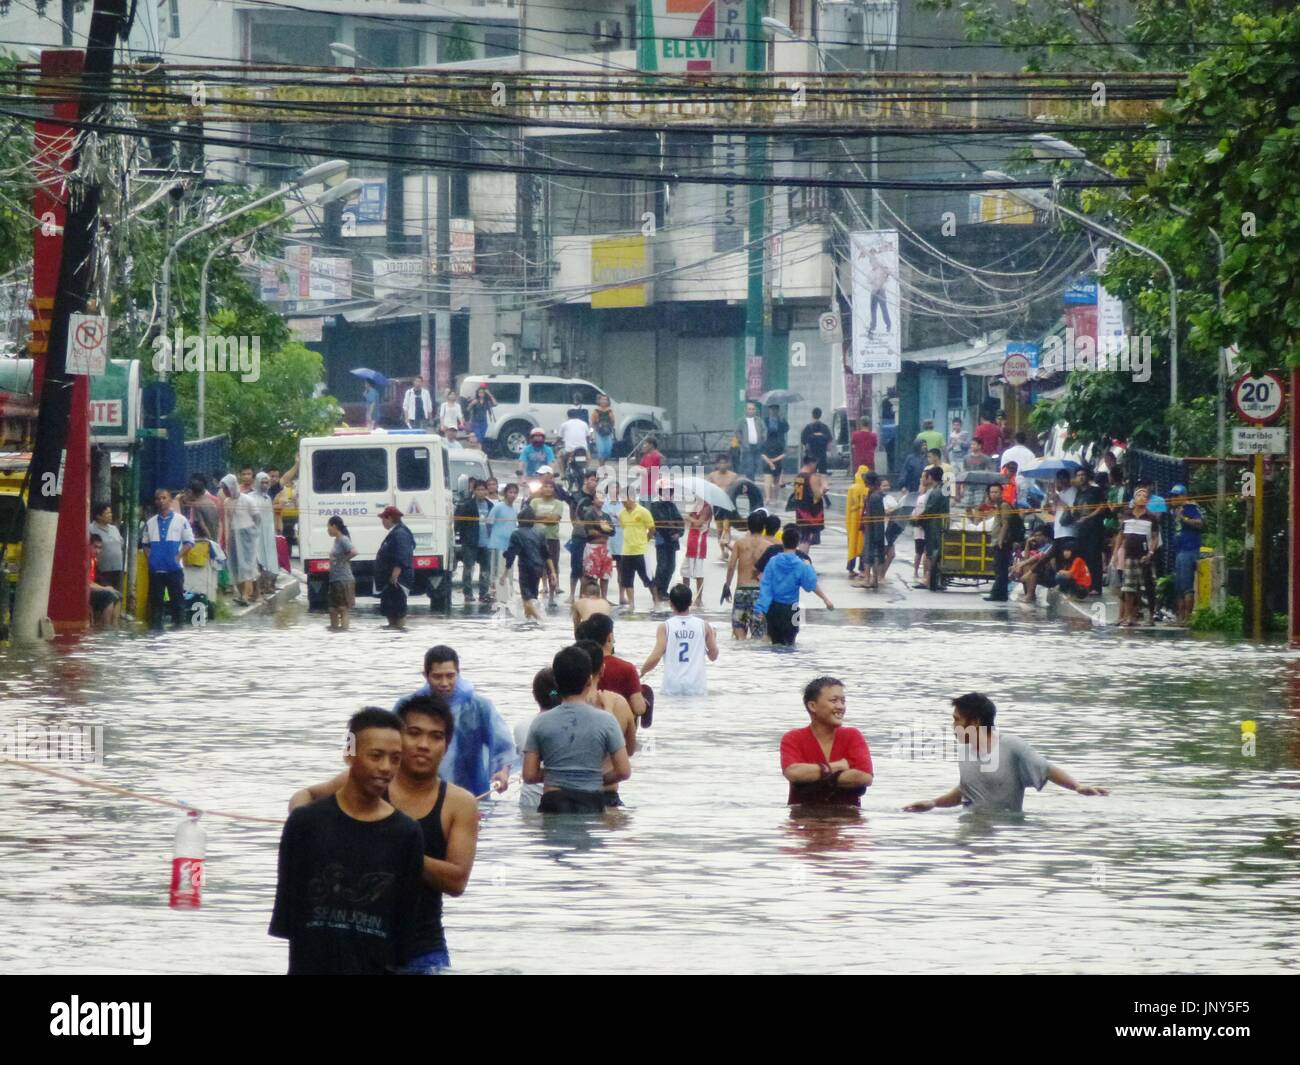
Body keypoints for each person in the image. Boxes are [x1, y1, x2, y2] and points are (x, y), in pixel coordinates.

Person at [287, 696, 479, 974]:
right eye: (414, 734)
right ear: (396, 740)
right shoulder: (365, 782)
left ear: (446, 746)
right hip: (355, 942)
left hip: (422, 951)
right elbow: (304, 796)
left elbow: (457, 880)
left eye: (435, 737)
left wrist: (393, 847)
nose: (424, 745)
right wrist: (308, 825)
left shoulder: (459, 803)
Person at [270, 707, 425, 974]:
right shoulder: (306, 824)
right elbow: (290, 917)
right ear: (349, 753)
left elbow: (403, 931)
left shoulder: (406, 834)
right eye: (375, 756)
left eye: (395, 759)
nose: (386, 768)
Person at [903, 693, 1107, 814]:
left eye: (957, 719)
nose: (952, 725)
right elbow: (967, 791)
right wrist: (933, 803)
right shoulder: (965, 751)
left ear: (974, 722)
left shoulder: (1011, 745)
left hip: (1004, 833)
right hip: (969, 827)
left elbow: (1046, 769)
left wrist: (1078, 786)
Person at [391, 645, 515, 798]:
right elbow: (391, 746)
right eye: (437, 676)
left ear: (458, 673)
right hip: (417, 792)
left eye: (450, 676)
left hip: (471, 793)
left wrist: (502, 772)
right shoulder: (409, 707)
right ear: (426, 675)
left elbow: (503, 746)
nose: (444, 683)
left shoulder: (479, 706)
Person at [522, 645, 631, 814]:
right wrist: (594, 776)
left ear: (556, 682)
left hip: (553, 802)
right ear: (589, 680)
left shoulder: (540, 722)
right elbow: (624, 771)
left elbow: (529, 775)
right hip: (591, 802)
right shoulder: (606, 721)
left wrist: (555, 774)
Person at [780, 677, 873, 807]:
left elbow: (864, 777)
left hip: (847, 822)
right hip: (803, 818)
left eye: (843, 701)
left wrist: (811, 778)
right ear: (812, 706)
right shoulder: (793, 738)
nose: (841, 707)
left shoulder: (852, 736)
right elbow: (794, 773)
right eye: (834, 701)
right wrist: (838, 767)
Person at [574, 639, 638, 807]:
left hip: (569, 795)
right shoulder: (619, 703)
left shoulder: (563, 706)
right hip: (607, 793)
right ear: (602, 669)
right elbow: (629, 750)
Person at [754, 526, 833, 646]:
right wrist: (825, 599)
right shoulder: (801, 565)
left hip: (773, 609)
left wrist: (760, 608)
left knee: (775, 644)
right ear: (797, 543)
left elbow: (765, 586)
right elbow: (810, 585)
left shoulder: (773, 562)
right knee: (790, 644)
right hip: (793, 609)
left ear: (782, 541)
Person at [640, 583, 719, 696]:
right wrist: (713, 637)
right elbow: (713, 656)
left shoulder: (665, 627)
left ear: (670, 604)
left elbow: (656, 656)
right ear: (690, 603)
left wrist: (642, 671)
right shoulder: (704, 626)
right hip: (696, 687)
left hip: (671, 687)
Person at [574, 612, 649, 722]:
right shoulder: (627, 668)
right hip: (619, 729)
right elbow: (639, 709)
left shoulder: (577, 664)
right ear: (609, 638)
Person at [143, 489, 194, 631]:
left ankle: (178, 629)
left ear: (170, 500)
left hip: (174, 569)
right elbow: (145, 544)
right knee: (156, 603)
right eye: (158, 499)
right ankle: (155, 631)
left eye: (164, 498)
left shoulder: (181, 520)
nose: (161, 501)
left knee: (177, 602)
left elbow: (189, 542)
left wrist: (177, 558)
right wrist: (151, 558)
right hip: (156, 570)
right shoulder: (150, 522)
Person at [721, 510, 771, 641]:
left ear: (748, 526)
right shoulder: (768, 547)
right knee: (758, 634)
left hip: (742, 593)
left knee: (739, 631)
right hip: (760, 594)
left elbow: (731, 566)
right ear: (764, 527)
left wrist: (727, 585)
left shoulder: (740, 543)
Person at [1116, 486, 1160, 628]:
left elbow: (1154, 538)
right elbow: (1121, 536)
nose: (1142, 497)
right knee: (1128, 587)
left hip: (1144, 556)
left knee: (1147, 586)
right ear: (1134, 499)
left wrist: (1150, 553)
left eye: (1145, 496)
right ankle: (1130, 617)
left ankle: (1150, 616)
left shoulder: (1151, 517)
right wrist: (1116, 554)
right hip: (1129, 555)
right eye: (1139, 495)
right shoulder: (1127, 515)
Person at [502, 505, 554, 622]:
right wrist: (553, 572)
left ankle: (540, 620)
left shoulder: (516, 534)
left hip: (525, 567)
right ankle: (530, 621)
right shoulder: (540, 533)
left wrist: (504, 573)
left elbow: (511, 554)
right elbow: (547, 554)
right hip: (538, 568)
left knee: (527, 599)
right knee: (533, 597)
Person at [526, 476, 566, 608]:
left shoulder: (559, 503)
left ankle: (552, 596)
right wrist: (546, 517)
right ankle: (534, 594)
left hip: (552, 538)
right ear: (541, 489)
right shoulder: (535, 502)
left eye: (551, 487)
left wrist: (540, 518)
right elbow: (530, 518)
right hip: (536, 537)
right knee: (535, 567)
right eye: (545, 486)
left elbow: (555, 519)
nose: (548, 489)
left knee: (552, 567)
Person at [219, 474, 258, 604]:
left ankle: (246, 596)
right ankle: (241, 595)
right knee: (235, 566)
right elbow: (226, 521)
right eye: (223, 489)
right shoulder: (226, 502)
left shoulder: (247, 500)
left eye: (226, 488)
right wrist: (225, 539)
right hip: (232, 537)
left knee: (246, 566)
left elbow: (257, 518)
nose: (225, 492)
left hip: (247, 537)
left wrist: (251, 533)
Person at [1068, 466, 1106, 595]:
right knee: (1082, 557)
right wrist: (1074, 513)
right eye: (1078, 475)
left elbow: (1102, 506)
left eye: (1083, 474)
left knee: (1094, 557)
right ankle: (1084, 584)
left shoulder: (1095, 491)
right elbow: (1076, 508)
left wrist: (1089, 517)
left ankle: (1096, 586)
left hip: (1095, 529)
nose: (1081, 477)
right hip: (1081, 530)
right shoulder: (1078, 493)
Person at [375, 505, 415, 630]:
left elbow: (402, 556)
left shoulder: (401, 533)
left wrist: (394, 575)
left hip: (397, 580)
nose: (382, 521)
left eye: (383, 518)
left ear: (390, 518)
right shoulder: (395, 533)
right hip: (391, 580)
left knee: (398, 610)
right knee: (390, 610)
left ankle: (399, 633)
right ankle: (393, 632)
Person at [1168, 483, 1204, 625]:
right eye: (1172, 496)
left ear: (1184, 496)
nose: (1173, 499)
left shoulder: (1190, 508)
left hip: (1189, 550)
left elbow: (1200, 523)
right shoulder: (1174, 510)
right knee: (1179, 586)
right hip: (1179, 550)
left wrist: (1184, 518)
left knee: (1186, 585)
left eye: (1176, 496)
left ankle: (1187, 617)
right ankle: (1180, 616)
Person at [617, 488, 656, 613]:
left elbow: (652, 529)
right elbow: (624, 528)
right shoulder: (621, 514)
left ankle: (656, 601)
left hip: (641, 551)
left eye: (625, 499)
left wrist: (645, 540)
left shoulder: (643, 511)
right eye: (621, 499)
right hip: (626, 551)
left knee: (648, 578)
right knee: (627, 580)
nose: (623, 502)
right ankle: (631, 604)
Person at [454, 479, 493, 604]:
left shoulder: (491, 506)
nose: (481, 492)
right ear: (474, 491)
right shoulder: (467, 506)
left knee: (485, 569)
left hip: (486, 543)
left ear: (487, 491)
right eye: (478, 490)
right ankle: (468, 593)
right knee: (468, 568)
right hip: (470, 543)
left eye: (483, 489)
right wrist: (461, 538)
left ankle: (483, 593)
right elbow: (459, 524)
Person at [647, 479, 683, 609]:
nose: (668, 493)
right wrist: (672, 532)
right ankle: (656, 592)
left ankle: (663, 591)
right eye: (665, 490)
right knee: (662, 566)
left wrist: (678, 533)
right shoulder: (655, 505)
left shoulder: (672, 505)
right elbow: (660, 522)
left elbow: (680, 521)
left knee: (671, 567)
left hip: (673, 542)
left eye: (670, 490)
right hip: (662, 541)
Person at [983, 483, 1018, 603]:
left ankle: (997, 594)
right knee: (999, 569)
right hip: (999, 542)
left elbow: (1006, 524)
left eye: (996, 492)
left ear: (1001, 493)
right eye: (991, 492)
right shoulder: (998, 506)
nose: (993, 494)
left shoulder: (1004, 506)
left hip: (1002, 543)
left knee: (1001, 569)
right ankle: (1000, 594)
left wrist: (1000, 541)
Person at [580, 489, 615, 600]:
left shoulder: (606, 516)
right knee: (590, 575)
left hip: (604, 547)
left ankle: (604, 598)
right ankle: (585, 596)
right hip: (593, 547)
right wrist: (604, 531)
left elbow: (612, 531)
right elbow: (590, 532)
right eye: (598, 498)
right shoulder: (589, 514)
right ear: (593, 500)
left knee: (605, 575)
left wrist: (602, 532)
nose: (600, 500)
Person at [919, 466, 949, 592]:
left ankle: (931, 579)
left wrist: (918, 519)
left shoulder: (937, 492)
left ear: (931, 477)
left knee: (933, 551)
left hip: (935, 525)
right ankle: (936, 579)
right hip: (940, 523)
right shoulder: (942, 489)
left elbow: (930, 509)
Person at [485, 482, 520, 588]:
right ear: (505, 493)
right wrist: (493, 537)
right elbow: (489, 523)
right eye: (510, 492)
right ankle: (493, 592)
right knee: (496, 572)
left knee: (507, 571)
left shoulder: (515, 509)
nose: (513, 495)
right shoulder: (498, 507)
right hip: (497, 545)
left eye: (515, 493)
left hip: (509, 546)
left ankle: (505, 596)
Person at [326, 515, 357, 631]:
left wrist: (342, 560)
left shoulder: (343, 539)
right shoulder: (337, 540)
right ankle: (335, 631)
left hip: (343, 579)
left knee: (343, 609)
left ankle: (344, 633)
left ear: (334, 526)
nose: (327, 530)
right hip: (335, 579)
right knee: (332, 609)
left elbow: (354, 552)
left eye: (328, 526)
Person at [706, 454, 740, 559]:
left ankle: (728, 550)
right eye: (720, 463)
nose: (722, 465)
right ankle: (723, 550)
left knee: (727, 528)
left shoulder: (733, 476)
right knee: (720, 530)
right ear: (717, 464)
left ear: (728, 464)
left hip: (729, 505)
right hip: (717, 506)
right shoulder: (712, 476)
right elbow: (706, 488)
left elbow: (739, 489)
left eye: (725, 462)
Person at [857, 472, 887, 591]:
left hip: (873, 529)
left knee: (871, 554)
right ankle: (872, 579)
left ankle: (870, 579)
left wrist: (877, 533)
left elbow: (877, 517)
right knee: (872, 554)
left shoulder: (875, 497)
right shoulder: (873, 495)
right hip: (872, 528)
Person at [680, 498, 712, 607]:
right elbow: (690, 521)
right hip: (691, 540)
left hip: (699, 541)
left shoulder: (706, 508)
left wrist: (689, 517)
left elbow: (698, 523)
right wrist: (690, 516)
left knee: (698, 572)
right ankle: (686, 597)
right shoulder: (696, 505)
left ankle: (699, 599)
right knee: (685, 571)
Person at [88, 501, 124, 597]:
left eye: (110, 513)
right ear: (99, 516)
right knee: (107, 595)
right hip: (102, 570)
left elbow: (121, 543)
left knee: (117, 595)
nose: (110, 515)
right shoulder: (91, 529)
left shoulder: (114, 529)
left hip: (117, 569)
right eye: (107, 513)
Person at [788, 459, 824, 547]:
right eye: (815, 464)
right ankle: (803, 558)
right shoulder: (811, 477)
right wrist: (823, 488)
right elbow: (817, 496)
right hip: (811, 511)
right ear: (812, 463)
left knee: (803, 537)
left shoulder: (798, 476)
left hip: (800, 509)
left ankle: (802, 556)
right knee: (807, 537)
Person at [88, 534, 122, 626]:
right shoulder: (85, 560)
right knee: (109, 596)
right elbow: (87, 584)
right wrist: (106, 589)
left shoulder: (94, 561)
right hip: (85, 592)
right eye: (95, 547)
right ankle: (106, 628)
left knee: (118, 595)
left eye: (100, 548)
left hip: (93, 589)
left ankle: (114, 626)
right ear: (89, 545)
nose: (98, 551)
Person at [844, 465, 870, 576]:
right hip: (863, 520)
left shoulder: (852, 488)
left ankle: (850, 568)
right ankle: (862, 568)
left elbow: (848, 506)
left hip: (853, 520)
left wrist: (847, 522)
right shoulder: (868, 489)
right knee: (863, 544)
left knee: (852, 545)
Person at [760, 404, 789, 505]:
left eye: (775, 409)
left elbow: (786, 429)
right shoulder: (766, 420)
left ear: (778, 410)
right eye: (772, 409)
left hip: (779, 444)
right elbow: (762, 430)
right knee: (769, 475)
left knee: (779, 469)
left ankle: (774, 497)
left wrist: (782, 421)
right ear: (769, 410)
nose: (773, 411)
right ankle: (769, 498)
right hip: (767, 444)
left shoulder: (781, 420)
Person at [182, 476, 221, 543]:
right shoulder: (210, 501)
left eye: (185, 493)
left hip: (205, 540)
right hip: (215, 536)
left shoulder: (197, 505)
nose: (185, 495)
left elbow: (203, 526)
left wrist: (211, 541)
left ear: (190, 492)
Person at [735, 401, 764, 481]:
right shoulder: (741, 421)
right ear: (746, 410)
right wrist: (742, 441)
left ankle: (752, 481)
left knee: (757, 466)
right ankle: (750, 483)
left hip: (757, 447)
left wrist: (762, 440)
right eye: (749, 409)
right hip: (747, 447)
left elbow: (764, 430)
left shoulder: (759, 420)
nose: (751, 411)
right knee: (749, 468)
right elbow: (737, 432)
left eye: (753, 409)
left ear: (755, 410)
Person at [800, 408, 833, 474]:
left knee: (811, 472)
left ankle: (812, 483)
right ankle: (822, 484)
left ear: (812, 415)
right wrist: (829, 449)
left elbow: (803, 440)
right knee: (823, 473)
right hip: (822, 453)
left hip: (811, 453)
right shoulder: (825, 427)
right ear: (820, 415)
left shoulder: (808, 427)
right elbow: (829, 440)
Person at [558, 410, 591, 475]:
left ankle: (563, 474)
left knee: (560, 456)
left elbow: (559, 438)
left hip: (569, 450)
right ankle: (585, 469)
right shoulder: (584, 424)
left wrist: (556, 443)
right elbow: (588, 437)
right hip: (582, 449)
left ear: (568, 416)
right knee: (588, 457)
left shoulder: (564, 424)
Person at [591, 393, 616, 462]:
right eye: (602, 399)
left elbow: (613, 422)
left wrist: (609, 429)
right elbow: (593, 423)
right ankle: (601, 467)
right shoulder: (595, 411)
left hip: (608, 433)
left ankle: (603, 463)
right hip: (599, 433)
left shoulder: (610, 411)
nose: (604, 401)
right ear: (599, 401)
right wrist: (597, 430)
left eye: (605, 399)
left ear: (608, 401)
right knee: (601, 451)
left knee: (608, 451)